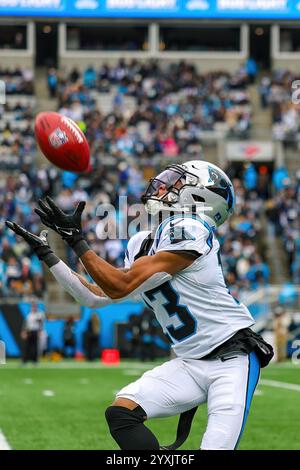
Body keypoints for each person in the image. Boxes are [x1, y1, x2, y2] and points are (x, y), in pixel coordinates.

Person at [6, 160, 274, 450]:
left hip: (232, 359)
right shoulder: (142, 242)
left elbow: (119, 284)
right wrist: (48, 255)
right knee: (121, 413)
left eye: (179, 182)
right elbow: (97, 296)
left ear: (200, 197)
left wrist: (77, 242)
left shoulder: (191, 229)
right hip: (189, 362)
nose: (164, 184)